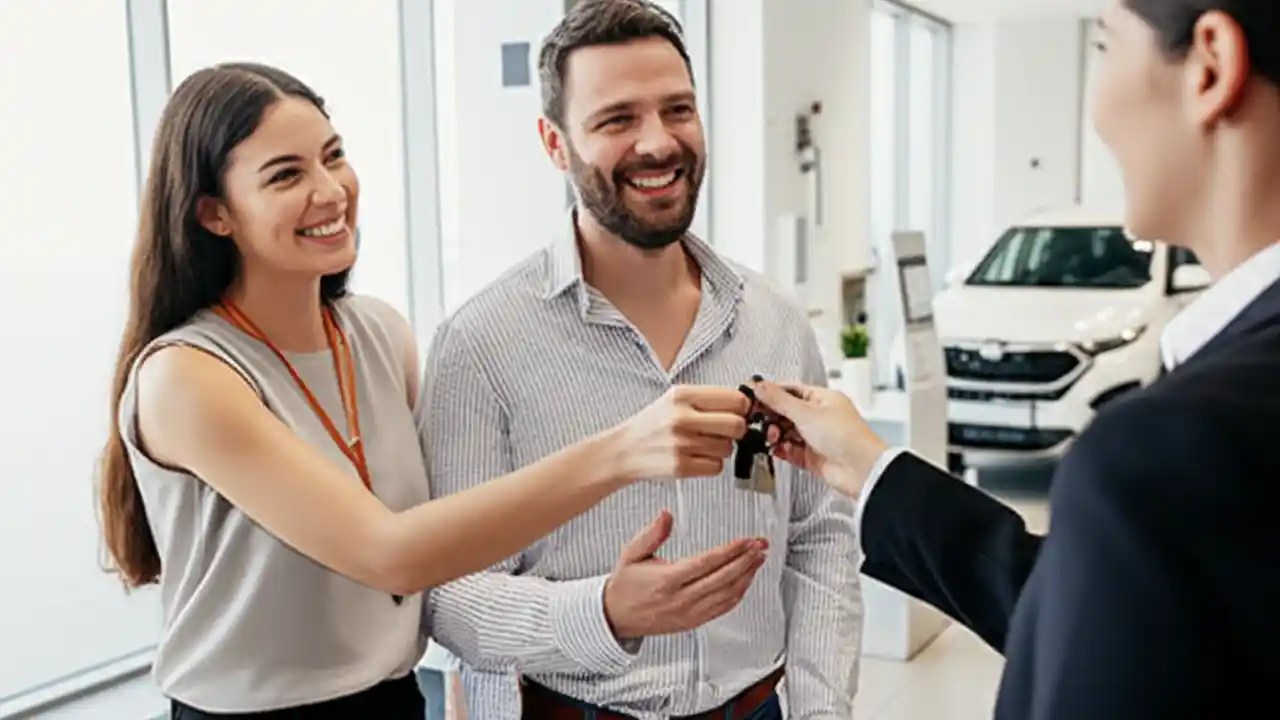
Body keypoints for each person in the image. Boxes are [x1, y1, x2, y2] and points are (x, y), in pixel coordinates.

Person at [96, 61, 756, 719]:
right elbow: (391, 555)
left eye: (334, 157)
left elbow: (452, 548)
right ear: (214, 214)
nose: (330, 192)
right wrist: (622, 452)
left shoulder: (380, 335)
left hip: (395, 701)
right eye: (286, 175)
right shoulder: (186, 376)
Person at [748, 2, 1280, 717]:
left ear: (1210, 65)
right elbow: (1107, 611)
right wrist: (872, 468)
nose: (1097, 112)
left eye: (1103, 45)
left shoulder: (1166, 455)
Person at [419, 2, 862, 718]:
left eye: (677, 109)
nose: (658, 143)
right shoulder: (481, 344)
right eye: (617, 119)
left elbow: (818, 539)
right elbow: (447, 592)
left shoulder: (775, 325)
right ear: (555, 143)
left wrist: (821, 709)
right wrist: (603, 613)